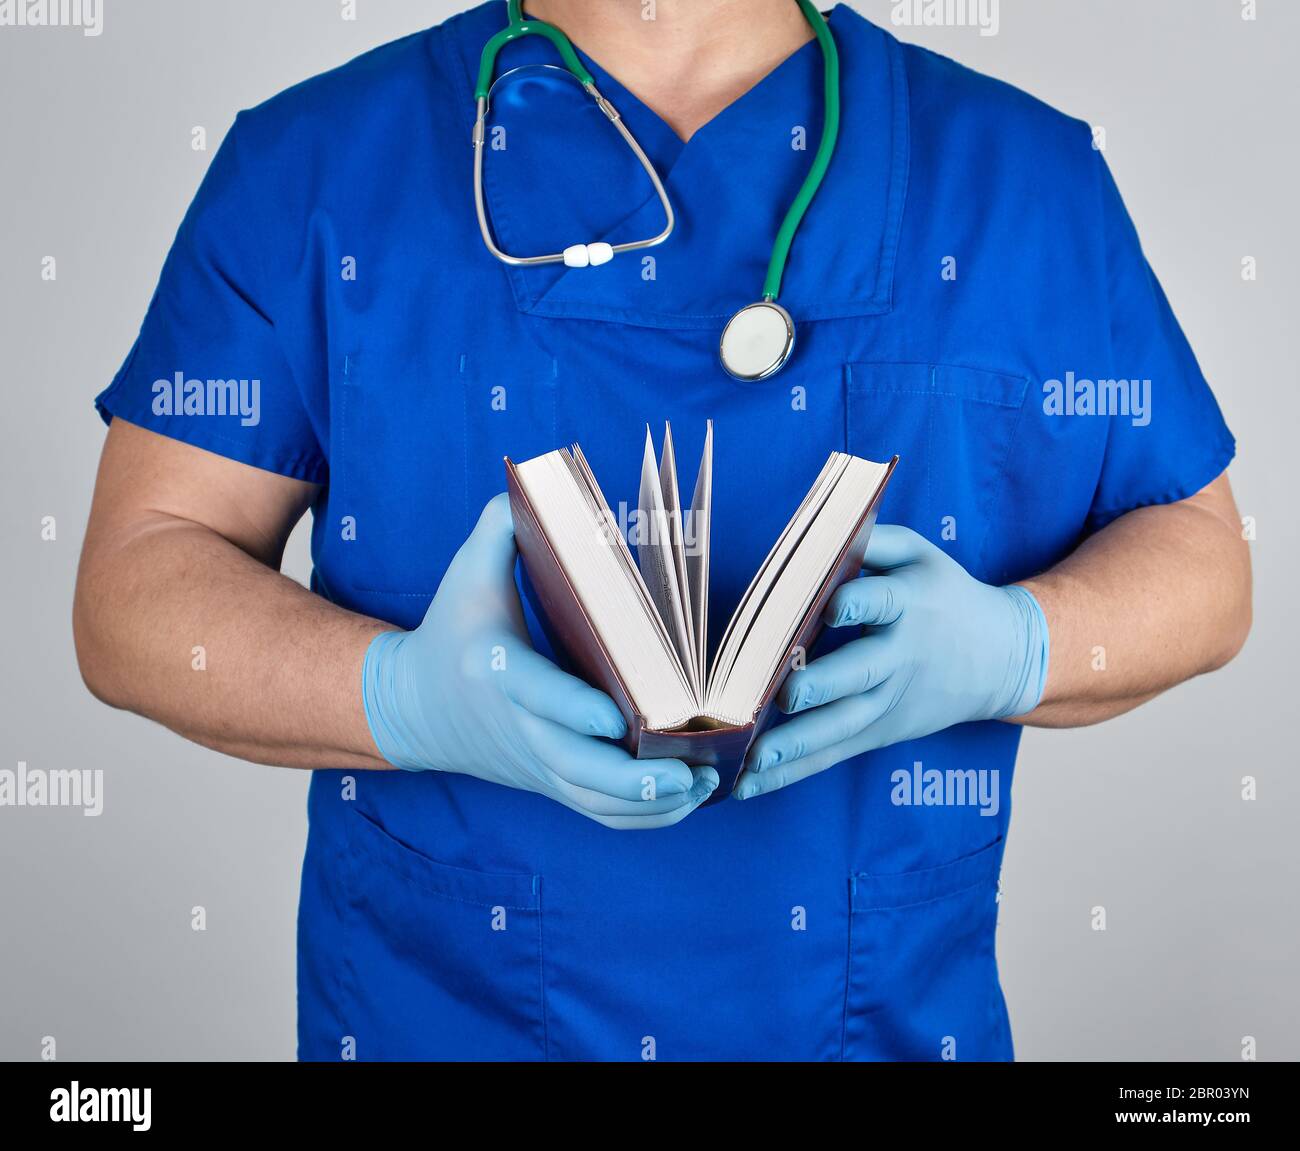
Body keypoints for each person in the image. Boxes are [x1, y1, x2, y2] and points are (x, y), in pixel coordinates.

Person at [73, 0, 1250, 1061]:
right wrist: (393, 694)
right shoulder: (316, 168)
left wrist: (1016, 645)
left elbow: (1202, 561)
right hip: (429, 1025)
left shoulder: (1022, 180)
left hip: (880, 1029)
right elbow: (136, 584)